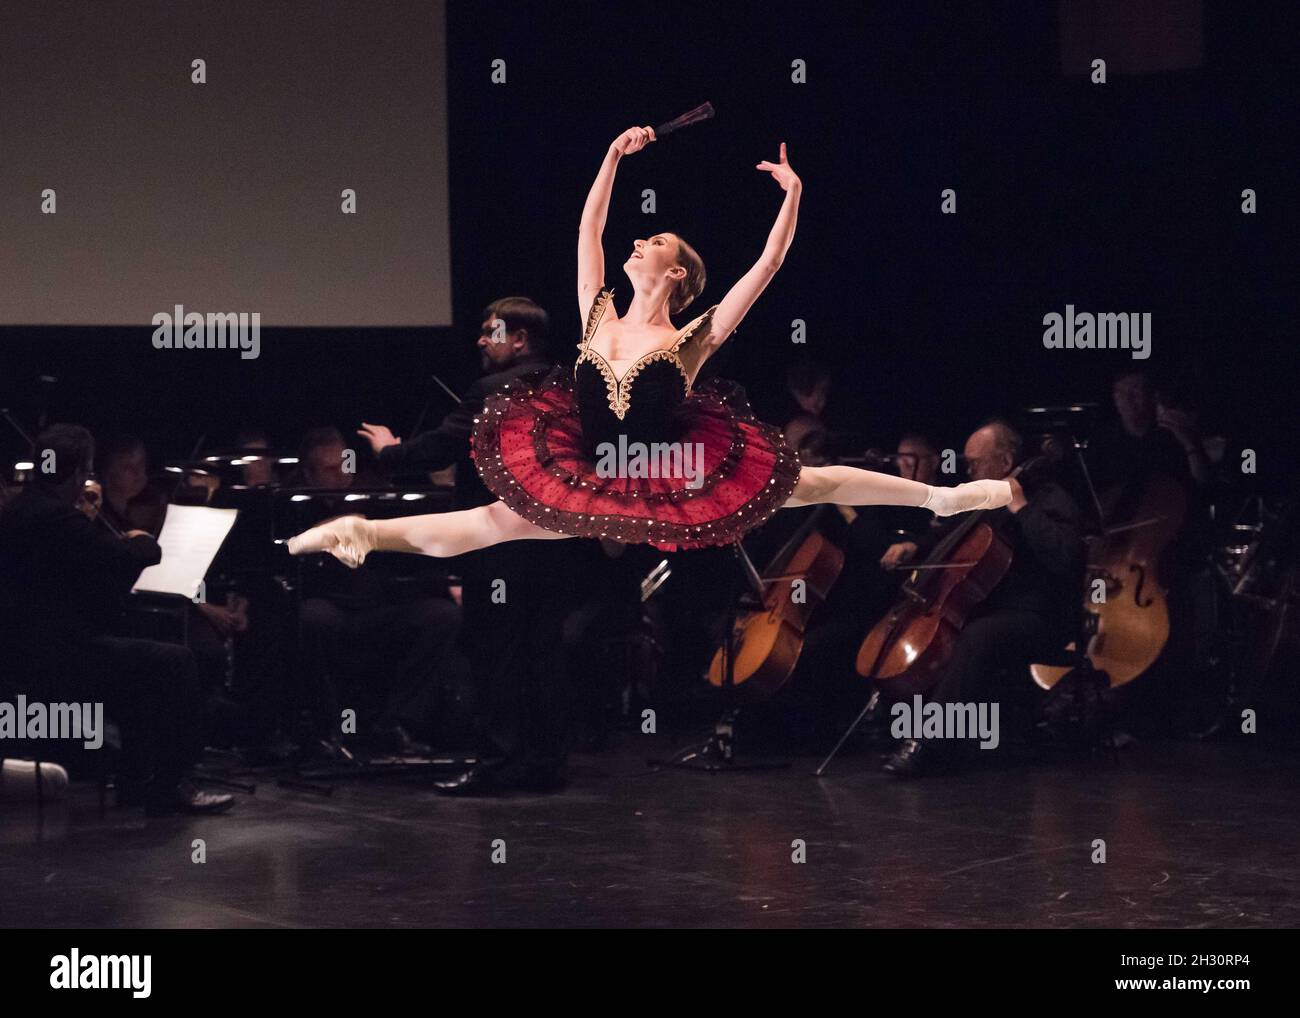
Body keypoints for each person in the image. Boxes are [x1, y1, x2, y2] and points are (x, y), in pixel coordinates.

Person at [288, 127, 1011, 577]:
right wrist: (610, 157)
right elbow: (588, 235)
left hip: (669, 465)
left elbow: (765, 269)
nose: (639, 241)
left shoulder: (691, 338)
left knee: (809, 484)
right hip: (597, 464)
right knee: (492, 527)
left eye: (655, 242)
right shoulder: (598, 313)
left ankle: (942, 496)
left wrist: (792, 196)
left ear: (676, 276)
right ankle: (364, 532)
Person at [357, 297, 600, 794]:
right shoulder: (569, 390)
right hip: (555, 546)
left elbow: (439, 447)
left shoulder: (492, 389)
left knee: (496, 654)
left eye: (491, 332)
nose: (480, 341)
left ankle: (498, 766)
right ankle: (547, 763)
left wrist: (388, 450)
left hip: (500, 550)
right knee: (545, 652)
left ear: (520, 339)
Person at [0, 424, 233, 814]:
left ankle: (137, 783)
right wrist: (141, 538)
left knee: (141, 671)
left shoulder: (19, 512)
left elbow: (85, 568)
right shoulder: (58, 520)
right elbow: (131, 557)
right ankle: (172, 783)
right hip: (60, 656)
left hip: (22, 653)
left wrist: (89, 520)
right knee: (176, 662)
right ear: (79, 473)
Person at [881, 421, 1085, 777]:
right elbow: (951, 537)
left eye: (976, 462)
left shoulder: (1050, 497)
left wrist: (1021, 506)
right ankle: (927, 733)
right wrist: (916, 546)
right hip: (996, 611)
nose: (969, 470)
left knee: (979, 636)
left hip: (1042, 615)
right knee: (958, 632)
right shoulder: (983, 502)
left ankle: (930, 743)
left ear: (1005, 461)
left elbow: (1066, 559)